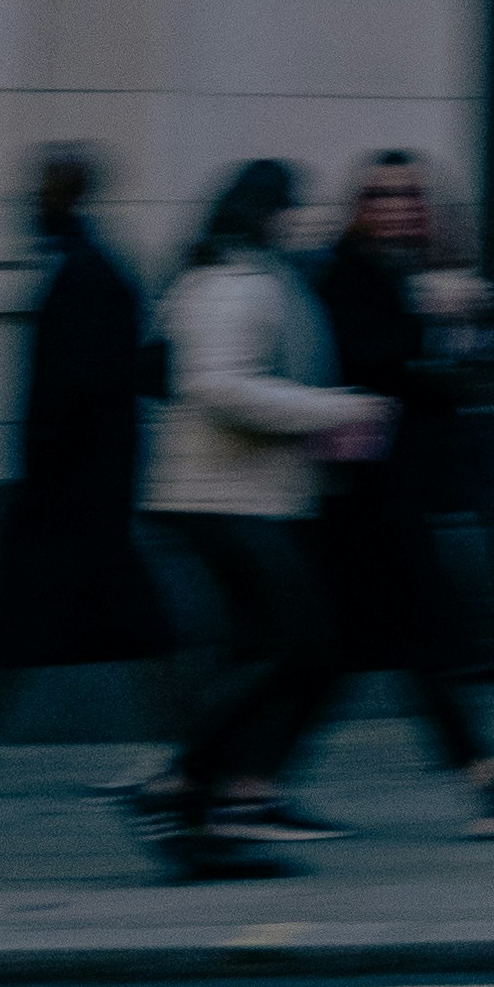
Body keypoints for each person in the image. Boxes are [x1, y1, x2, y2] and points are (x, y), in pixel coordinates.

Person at [127, 160, 388, 882]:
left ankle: (192, 799)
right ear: (264, 213)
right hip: (219, 498)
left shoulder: (233, 278)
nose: (299, 220)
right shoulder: (230, 285)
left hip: (242, 496)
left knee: (277, 646)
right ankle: (176, 784)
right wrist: (337, 409)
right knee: (289, 644)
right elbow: (213, 385)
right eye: (290, 208)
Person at [310, 153, 494, 827]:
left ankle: (484, 773)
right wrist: (432, 338)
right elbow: (375, 365)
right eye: (381, 194)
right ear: (359, 205)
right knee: (394, 639)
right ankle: (223, 778)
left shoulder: (410, 273)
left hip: (402, 486)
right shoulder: (352, 274)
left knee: (367, 646)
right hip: (366, 490)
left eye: (409, 194)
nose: (398, 206)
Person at [0, 148, 169, 791]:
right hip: (76, 490)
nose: (31, 204)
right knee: (26, 619)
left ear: (67, 198)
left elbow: (87, 391)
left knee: (121, 622)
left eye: (44, 191)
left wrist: (50, 474)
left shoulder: (89, 276)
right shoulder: (87, 270)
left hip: (74, 493)